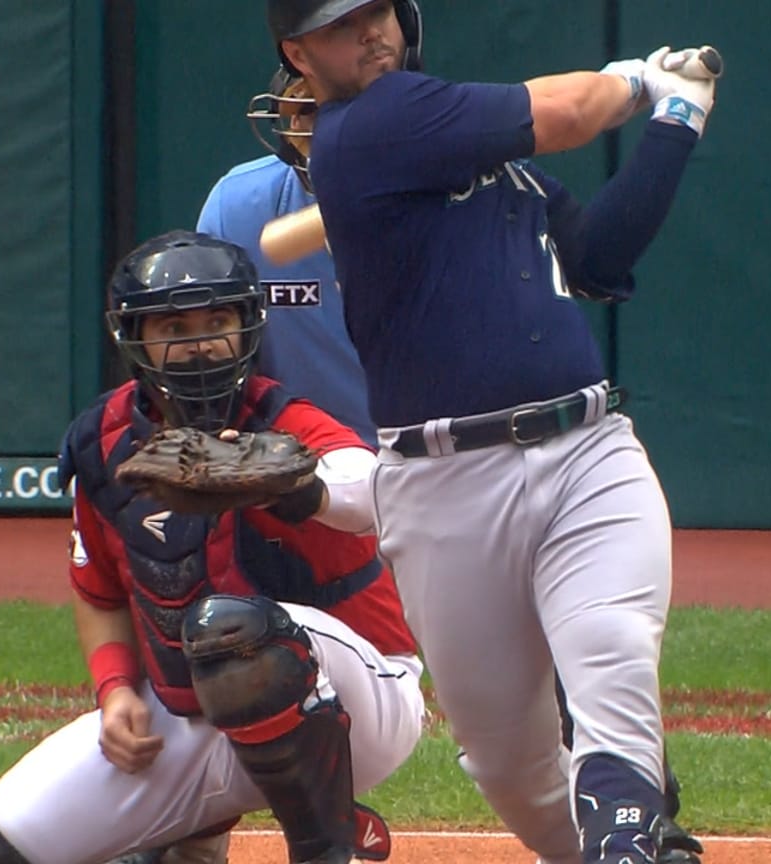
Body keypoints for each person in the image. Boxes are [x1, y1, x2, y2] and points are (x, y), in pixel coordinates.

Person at [264, 2, 720, 864]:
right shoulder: (371, 125)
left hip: (588, 449)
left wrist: (675, 125)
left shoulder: (486, 162)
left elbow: (594, 257)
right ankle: (622, 832)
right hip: (442, 485)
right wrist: (637, 82)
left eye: (378, 13)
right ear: (298, 53)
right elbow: (568, 112)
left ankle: (629, 833)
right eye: (340, 25)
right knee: (508, 764)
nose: (371, 33)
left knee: (610, 646)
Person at [0, 230, 424, 864]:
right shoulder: (104, 445)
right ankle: (190, 837)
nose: (199, 344)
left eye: (217, 320)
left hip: (362, 707)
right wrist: (115, 692)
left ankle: (328, 848)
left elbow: (371, 488)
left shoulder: (286, 426)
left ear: (247, 328)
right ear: (136, 339)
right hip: (197, 721)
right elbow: (99, 591)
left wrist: (297, 485)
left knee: (234, 632)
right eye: (173, 326)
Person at [195, 67, 375, 446]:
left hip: (435, 456)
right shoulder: (238, 204)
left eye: (332, 107)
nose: (307, 125)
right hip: (298, 457)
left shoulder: (456, 190)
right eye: (300, 110)